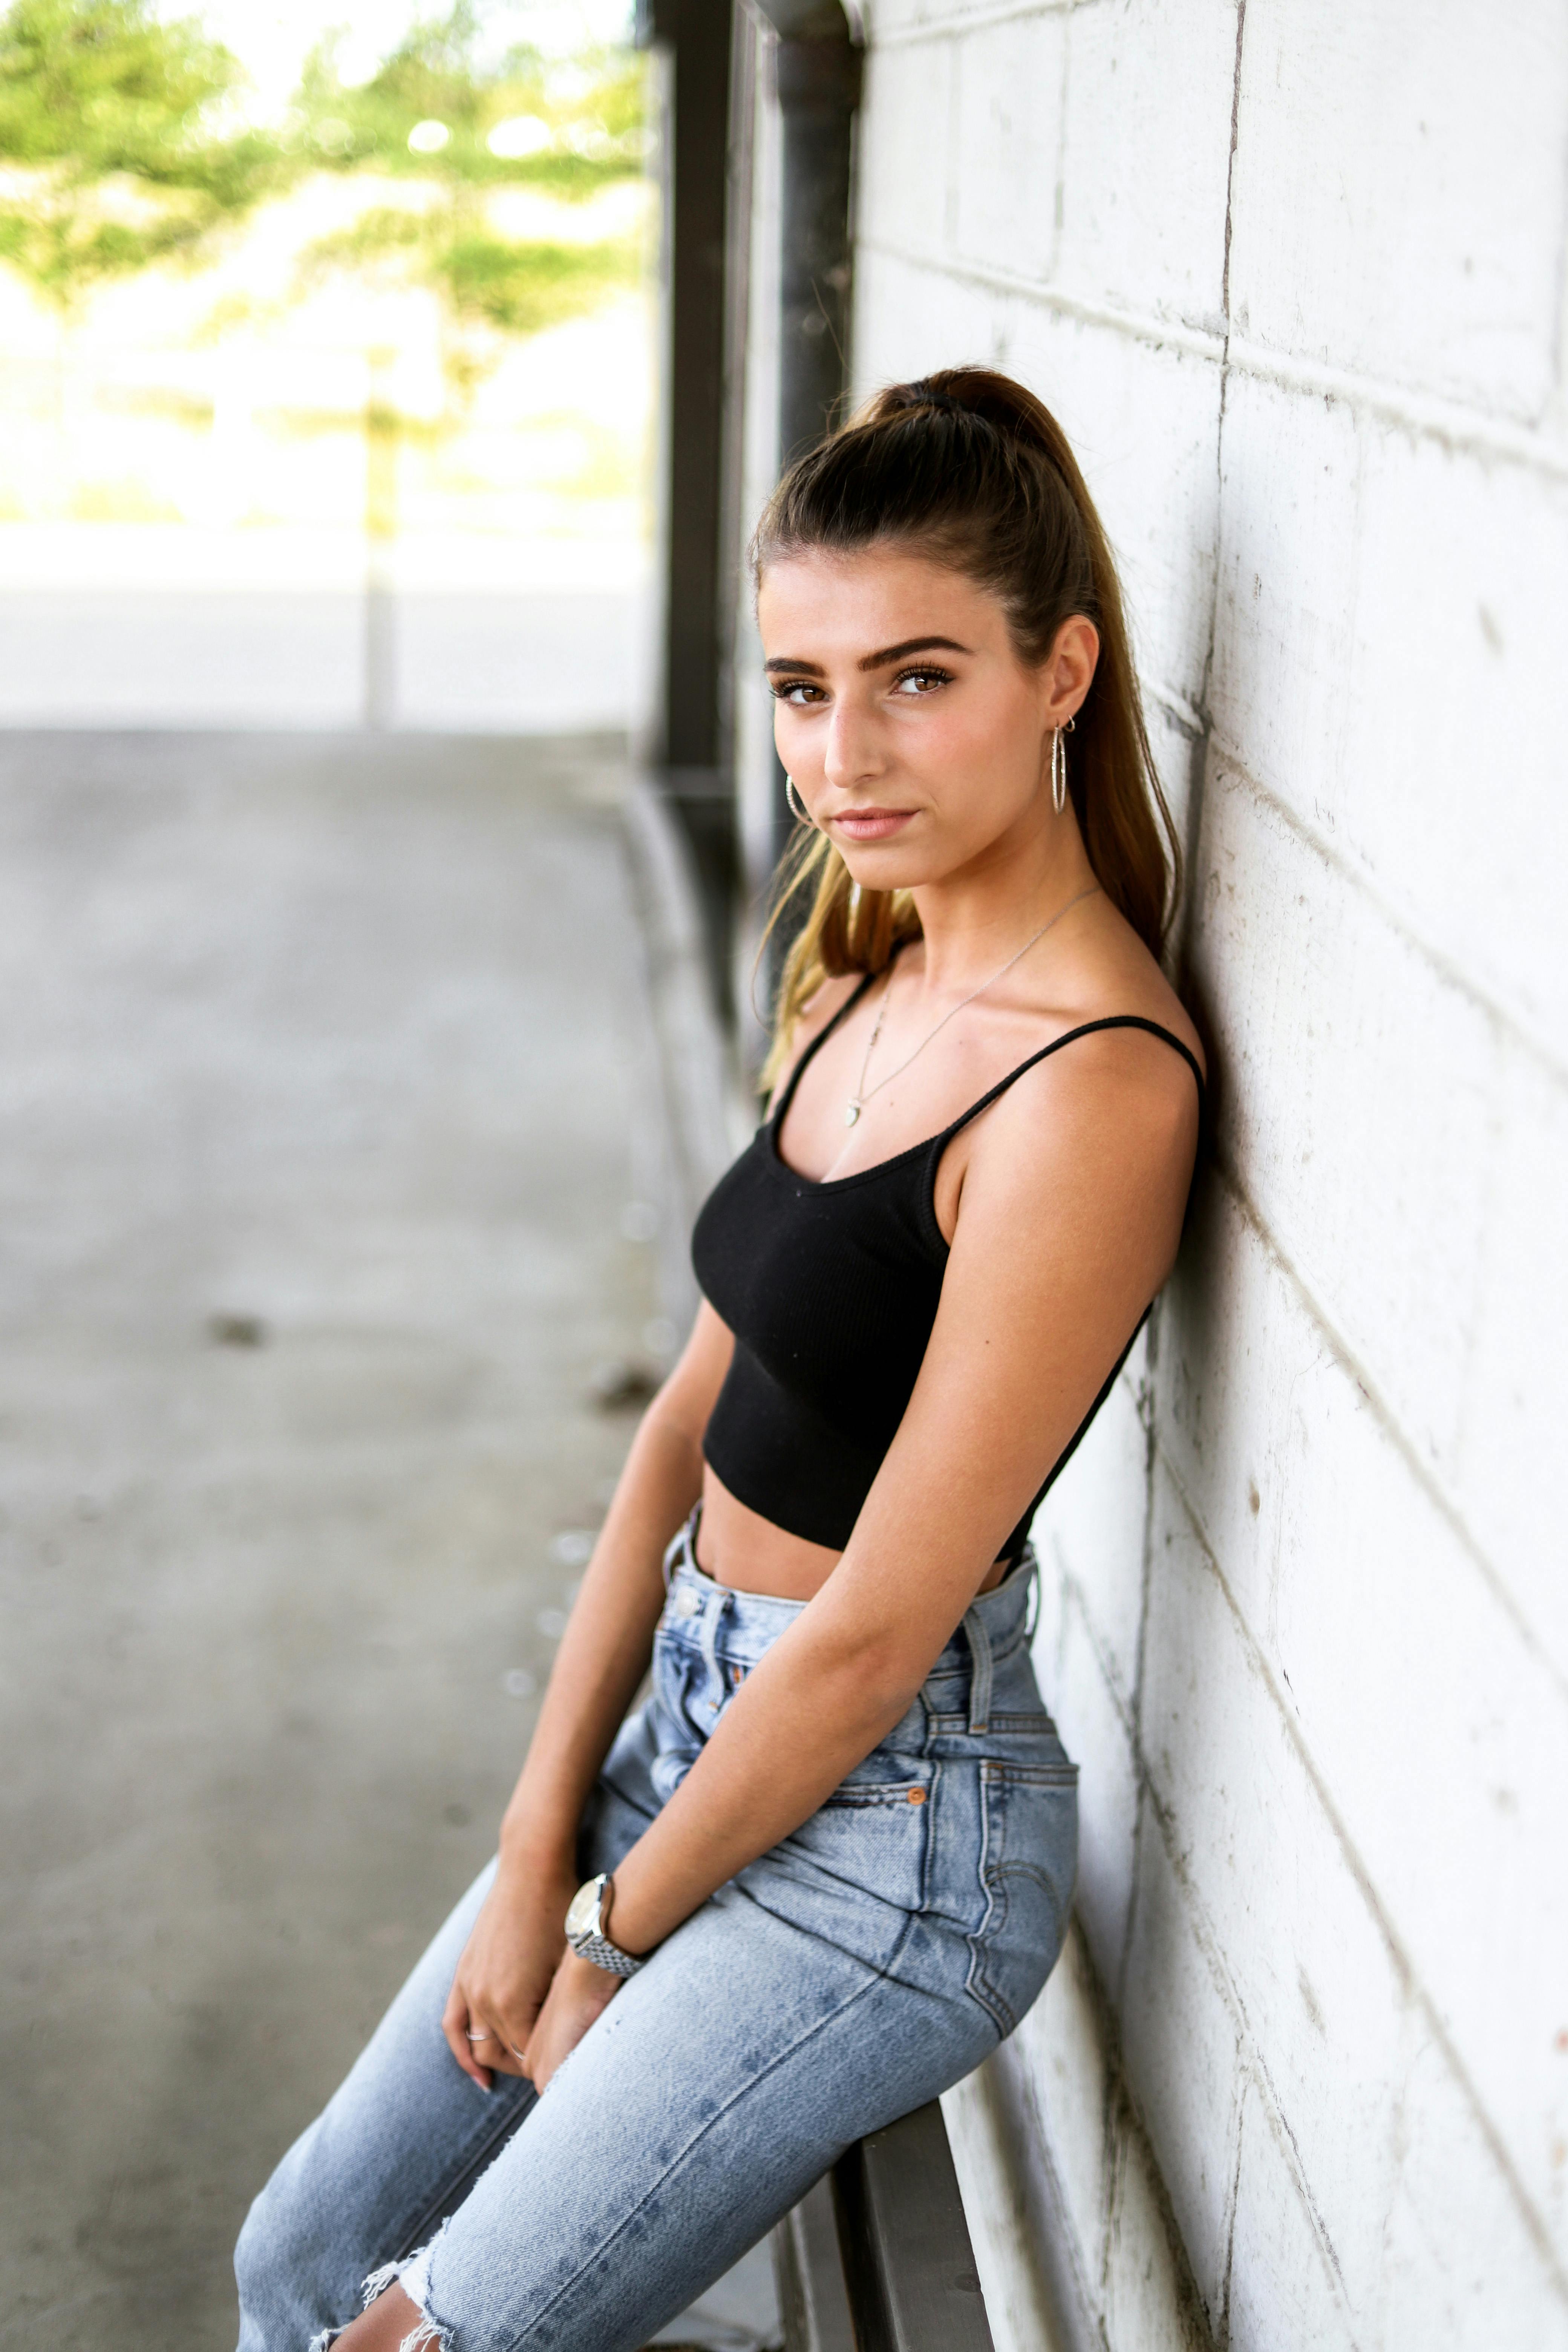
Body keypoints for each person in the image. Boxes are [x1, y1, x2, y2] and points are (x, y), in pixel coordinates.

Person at [234, 366, 1205, 2352]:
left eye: (916, 678)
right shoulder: (860, 980)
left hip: (890, 1840)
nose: (841, 750)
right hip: (680, 1749)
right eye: (797, 685)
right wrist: (536, 1853)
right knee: (297, 2268)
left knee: (424, 2343)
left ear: (1064, 671)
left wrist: (608, 1933)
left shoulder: (1093, 1088)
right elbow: (683, 1431)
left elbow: (870, 1633)